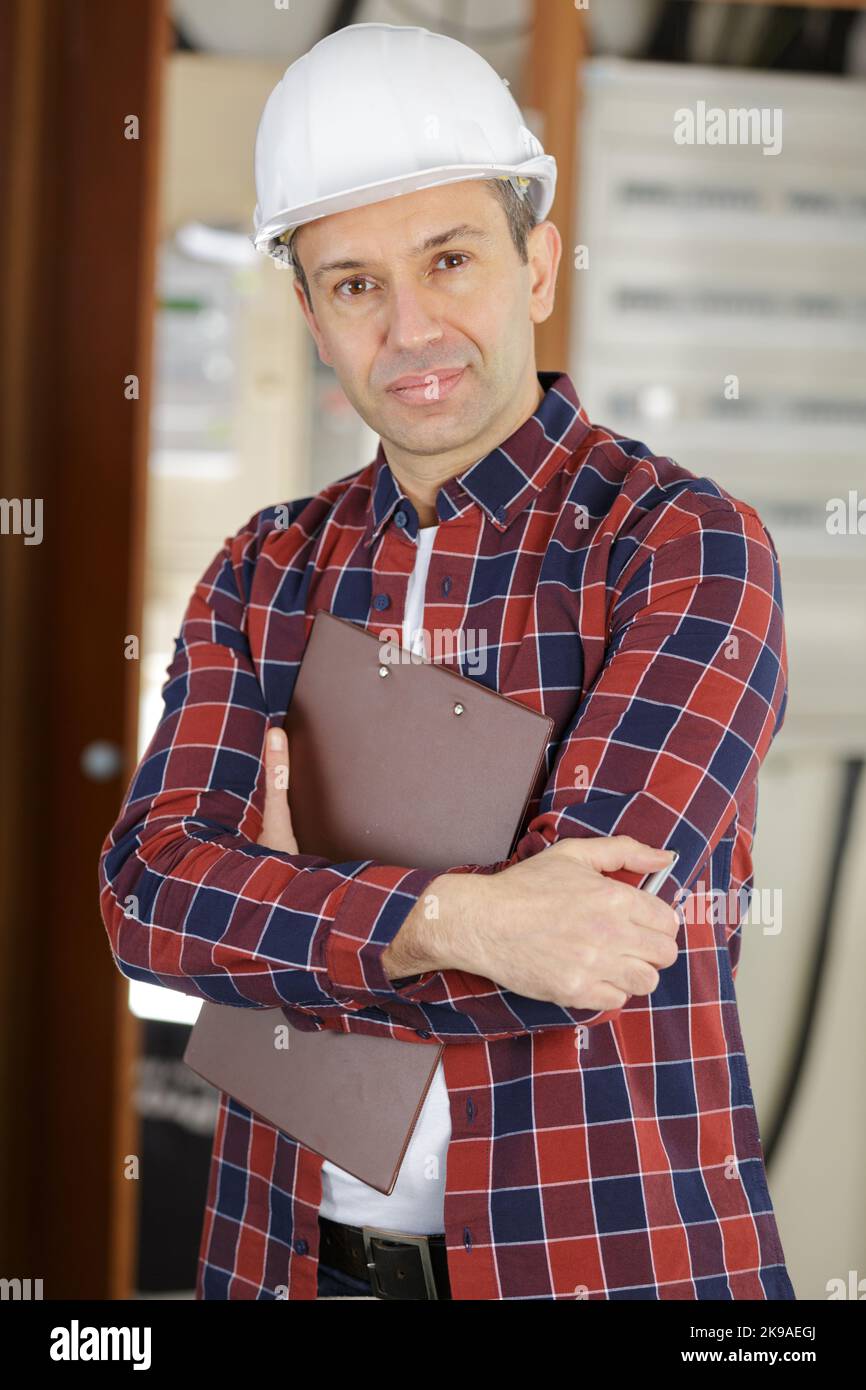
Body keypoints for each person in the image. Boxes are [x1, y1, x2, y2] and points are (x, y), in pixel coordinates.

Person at [98, 21, 796, 1301]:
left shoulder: (680, 548)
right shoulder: (266, 569)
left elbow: (583, 955)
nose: (409, 326)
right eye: (355, 282)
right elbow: (146, 903)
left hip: (599, 1266)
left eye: (450, 258)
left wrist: (276, 900)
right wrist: (464, 916)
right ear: (309, 314)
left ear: (534, 262)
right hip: (284, 1268)